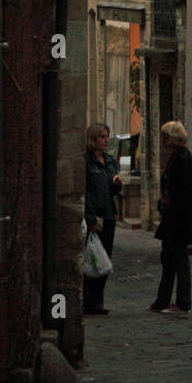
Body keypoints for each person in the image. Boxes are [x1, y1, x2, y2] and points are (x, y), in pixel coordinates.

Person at [148, 120, 192, 316]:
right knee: (168, 259)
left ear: (173, 138)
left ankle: (183, 302)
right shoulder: (176, 157)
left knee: (179, 260)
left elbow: (184, 193)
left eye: (165, 137)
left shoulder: (184, 159)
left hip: (179, 219)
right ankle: (162, 300)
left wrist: (170, 207)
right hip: (172, 217)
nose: (163, 141)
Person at [83, 122, 122, 314]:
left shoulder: (109, 160)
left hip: (108, 215)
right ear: (94, 139)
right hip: (95, 216)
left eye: (107, 136)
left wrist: (117, 183)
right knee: (93, 257)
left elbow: (112, 190)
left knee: (105, 258)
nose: (106, 140)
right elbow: (87, 191)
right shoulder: (87, 161)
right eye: (103, 137)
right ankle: (88, 300)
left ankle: (98, 300)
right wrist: (90, 218)